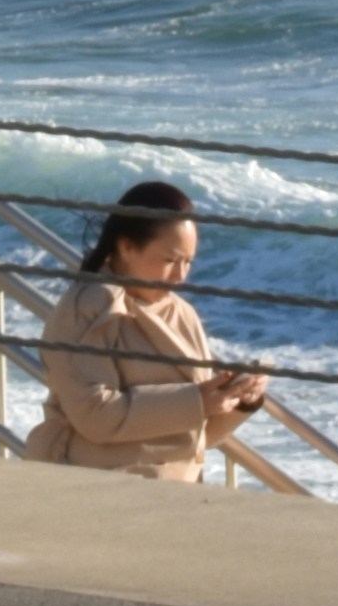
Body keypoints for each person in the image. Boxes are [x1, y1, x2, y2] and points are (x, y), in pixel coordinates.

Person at [26, 180, 276, 482]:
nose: (180, 276)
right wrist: (197, 401)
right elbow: (95, 416)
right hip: (97, 491)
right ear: (127, 246)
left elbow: (192, 437)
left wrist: (239, 400)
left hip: (172, 496)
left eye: (188, 262)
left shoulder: (181, 313)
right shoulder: (89, 308)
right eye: (170, 260)